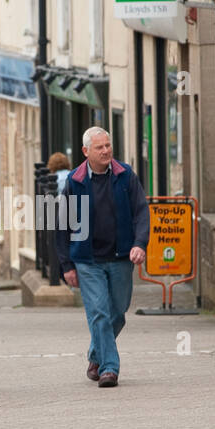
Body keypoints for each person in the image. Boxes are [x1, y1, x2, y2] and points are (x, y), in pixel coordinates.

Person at [55, 127, 149, 388]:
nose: (106, 150)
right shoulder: (74, 181)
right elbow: (62, 226)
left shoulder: (125, 175)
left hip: (120, 257)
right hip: (87, 260)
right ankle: (109, 368)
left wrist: (140, 243)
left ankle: (95, 355)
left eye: (108, 145)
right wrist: (66, 265)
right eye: (100, 147)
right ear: (86, 152)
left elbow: (141, 211)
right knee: (99, 313)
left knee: (117, 313)